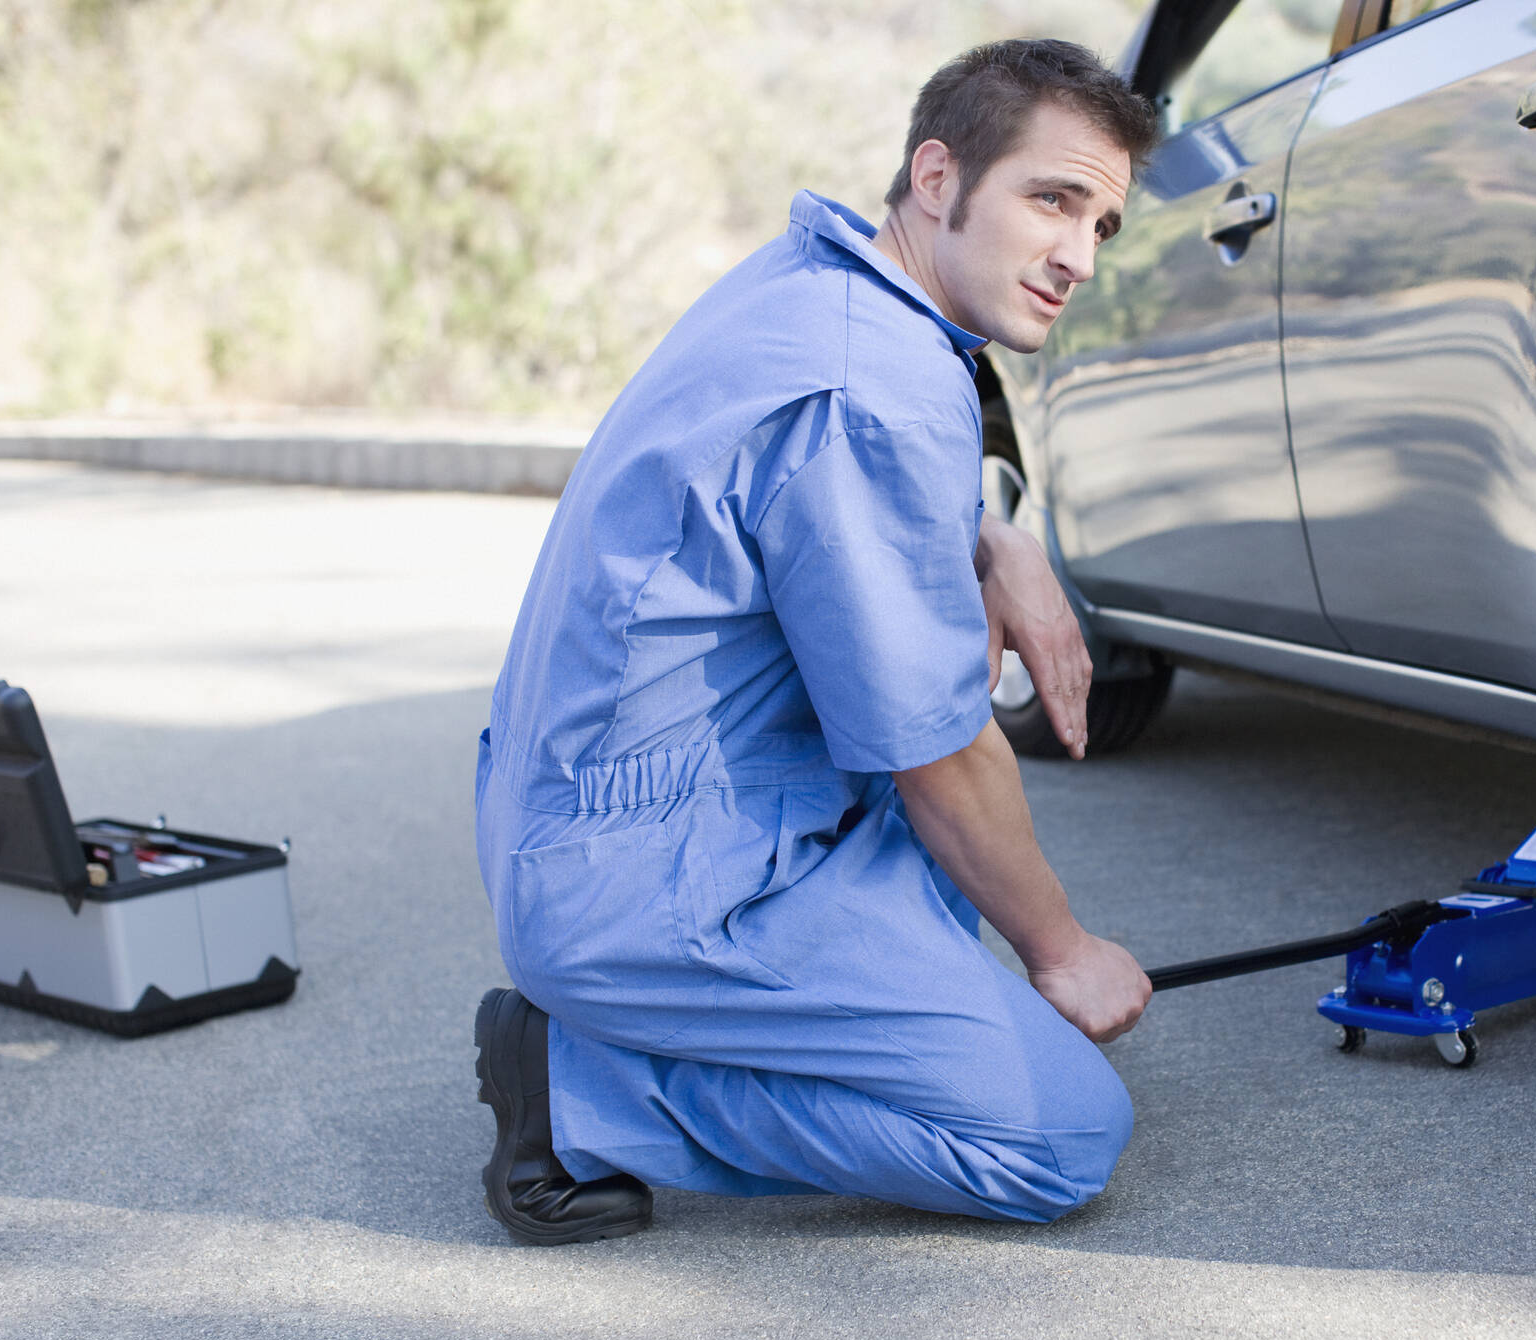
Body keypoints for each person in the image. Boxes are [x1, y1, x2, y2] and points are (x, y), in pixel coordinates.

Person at [470, 39, 1162, 1244]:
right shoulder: (873, 388)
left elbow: (836, 494)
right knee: (1056, 1138)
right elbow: (938, 751)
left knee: (945, 895)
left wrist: (1000, 541)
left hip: (587, 817)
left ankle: (814, 1005)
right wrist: (1062, 949)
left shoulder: (818, 279)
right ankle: (580, 1086)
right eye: (1054, 199)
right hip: (649, 885)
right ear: (939, 176)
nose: (1078, 257)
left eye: (1101, 223)